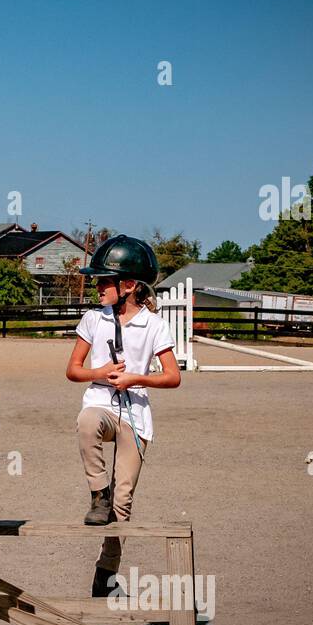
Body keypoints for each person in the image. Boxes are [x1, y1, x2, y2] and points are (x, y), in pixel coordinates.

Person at [65, 234, 181, 596]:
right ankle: (98, 493)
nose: (97, 287)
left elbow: (173, 376)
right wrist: (101, 373)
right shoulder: (92, 319)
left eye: (104, 281)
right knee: (86, 423)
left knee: (124, 501)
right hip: (100, 401)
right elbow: (73, 369)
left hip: (136, 411)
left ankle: (106, 570)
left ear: (128, 285)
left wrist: (135, 377)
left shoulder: (154, 324)